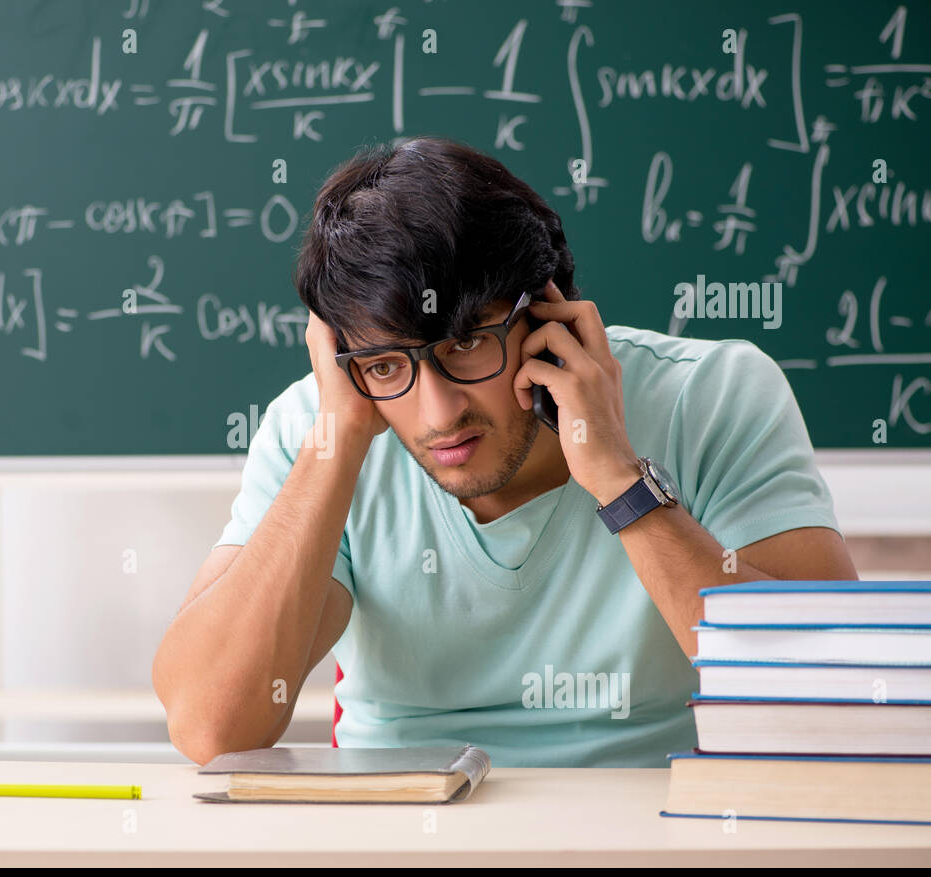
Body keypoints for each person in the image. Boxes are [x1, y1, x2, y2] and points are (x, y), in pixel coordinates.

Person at [152, 136, 857, 767]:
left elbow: (831, 705)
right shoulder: (325, 425)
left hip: (644, 830)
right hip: (401, 841)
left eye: (465, 344)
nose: (438, 414)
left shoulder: (713, 395)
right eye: (389, 365)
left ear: (548, 312)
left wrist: (618, 478)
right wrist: (336, 446)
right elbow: (213, 727)